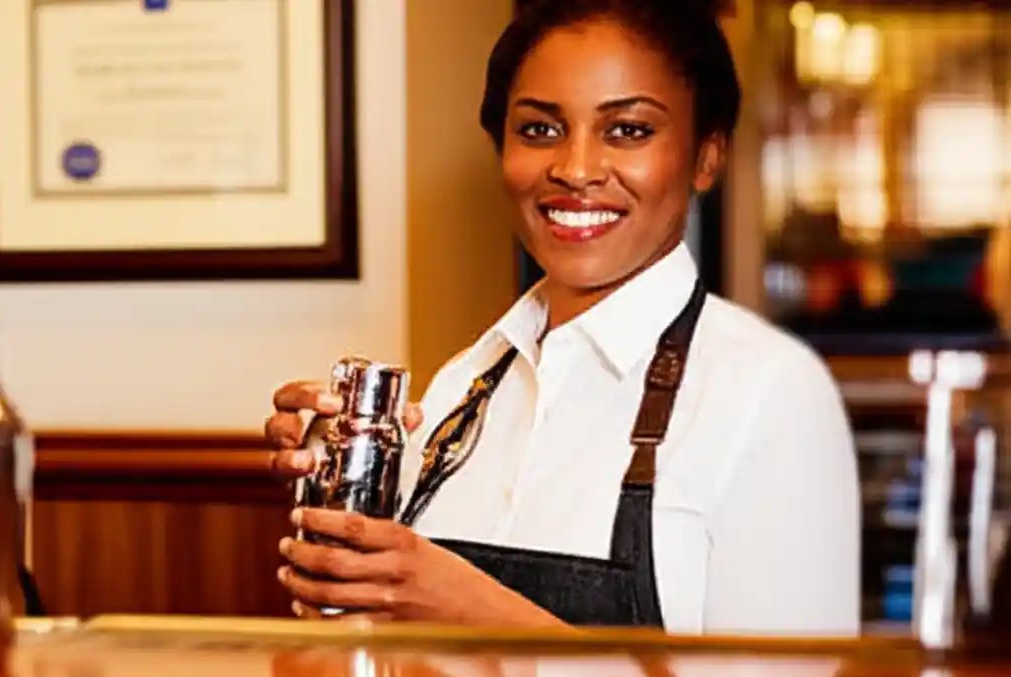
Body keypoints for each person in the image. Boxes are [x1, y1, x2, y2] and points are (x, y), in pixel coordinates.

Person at [265, 0, 860, 636]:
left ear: (706, 156)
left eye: (628, 130)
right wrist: (338, 494)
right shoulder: (463, 386)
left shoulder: (770, 392)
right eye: (540, 130)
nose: (575, 171)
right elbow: (369, 649)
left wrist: (474, 610)